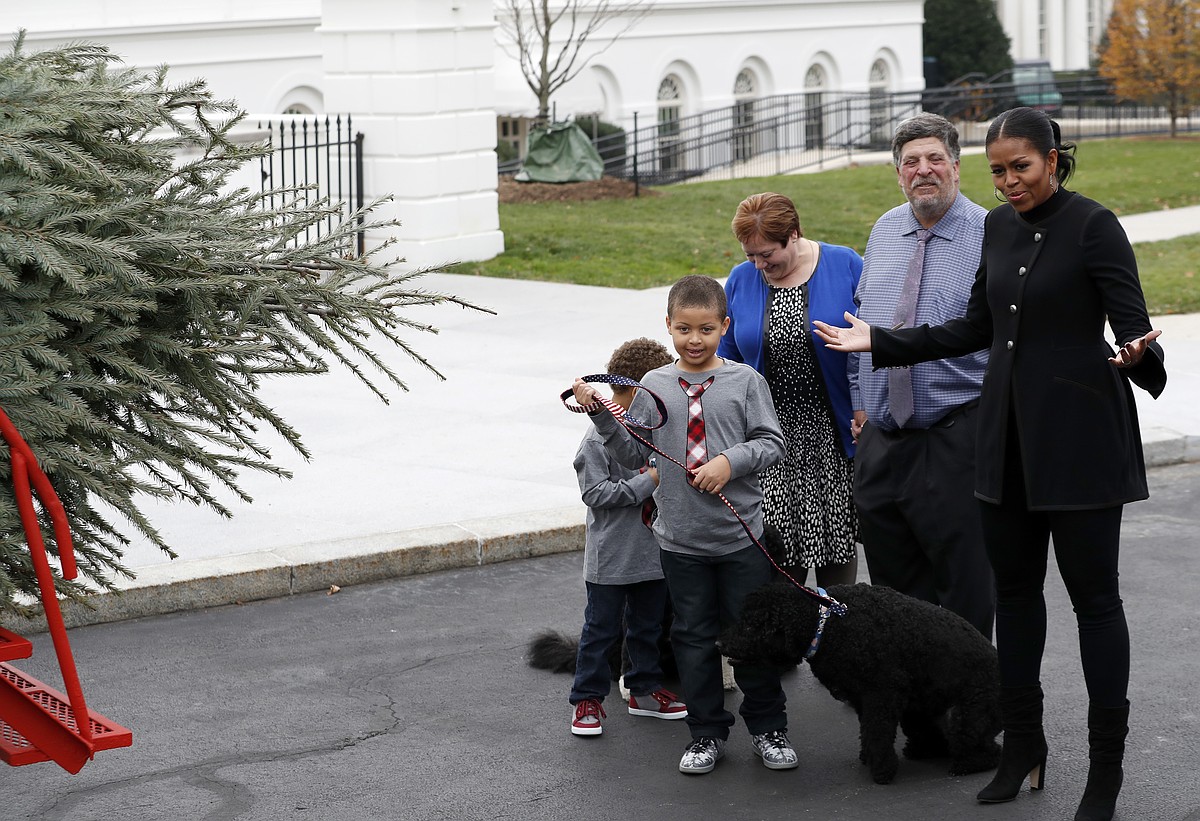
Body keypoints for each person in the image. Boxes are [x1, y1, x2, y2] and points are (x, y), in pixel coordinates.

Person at [813, 107, 1166, 821]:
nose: (1009, 181)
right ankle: (1021, 746)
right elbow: (975, 328)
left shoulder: (1094, 226)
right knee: (1015, 598)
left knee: (1094, 603)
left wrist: (1139, 358)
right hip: (1002, 443)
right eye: (999, 168)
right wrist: (880, 344)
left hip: (1079, 443)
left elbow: (1136, 333)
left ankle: (1106, 775)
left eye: (1022, 167)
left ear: (1055, 158)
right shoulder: (998, 230)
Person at [571, 274, 795, 776]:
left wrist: (730, 462)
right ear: (668, 326)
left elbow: (771, 442)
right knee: (693, 638)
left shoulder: (745, 382)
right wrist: (603, 417)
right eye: (684, 329)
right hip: (680, 541)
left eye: (707, 329)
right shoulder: (654, 385)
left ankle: (768, 728)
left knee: (750, 635)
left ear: (724, 327)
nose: (695, 340)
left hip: (741, 539)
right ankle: (706, 734)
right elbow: (634, 451)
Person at [851, 113, 995, 638]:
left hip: (955, 437)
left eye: (935, 159)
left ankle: (968, 706)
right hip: (884, 441)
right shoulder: (886, 229)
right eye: (911, 162)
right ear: (898, 174)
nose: (923, 170)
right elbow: (862, 326)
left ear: (956, 166)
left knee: (963, 583)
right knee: (893, 586)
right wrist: (860, 406)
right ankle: (913, 697)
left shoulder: (990, 234)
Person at [719, 192, 861, 588]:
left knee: (837, 563)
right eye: (751, 256)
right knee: (777, 565)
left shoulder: (845, 264)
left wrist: (865, 408)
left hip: (830, 438)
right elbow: (726, 360)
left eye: (767, 254)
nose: (760, 265)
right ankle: (780, 650)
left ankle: (835, 645)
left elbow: (868, 346)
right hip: (769, 441)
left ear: (794, 234)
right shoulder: (741, 279)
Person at [568, 337, 685, 737]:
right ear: (630, 394)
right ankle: (587, 698)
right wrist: (647, 482)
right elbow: (594, 493)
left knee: (647, 628)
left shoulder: (659, 434)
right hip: (611, 559)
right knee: (600, 631)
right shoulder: (597, 438)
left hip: (654, 554)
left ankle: (645, 689)